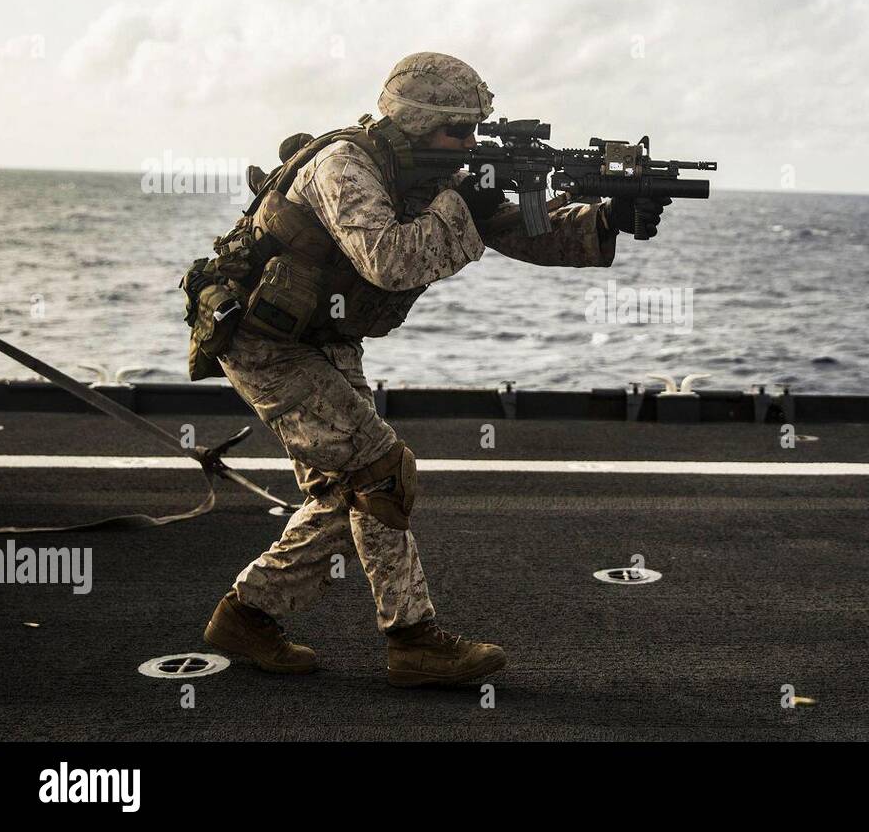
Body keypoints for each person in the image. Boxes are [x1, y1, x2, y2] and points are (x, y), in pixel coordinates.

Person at [190, 52, 669, 686]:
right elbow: (389, 261)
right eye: (458, 133)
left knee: (351, 492)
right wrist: (461, 202)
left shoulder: (429, 175)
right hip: (263, 341)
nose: (470, 145)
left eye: (475, 132)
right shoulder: (345, 165)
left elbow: (521, 233)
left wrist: (607, 218)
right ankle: (413, 642)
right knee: (383, 473)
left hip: (324, 337)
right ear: (416, 124)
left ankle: (250, 616)